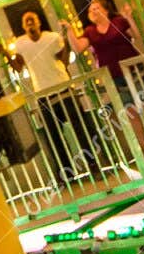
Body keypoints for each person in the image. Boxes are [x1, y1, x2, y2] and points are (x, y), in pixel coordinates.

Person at [10, 10, 97, 179]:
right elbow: (18, 67)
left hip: (63, 88)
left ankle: (92, 163)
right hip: (43, 95)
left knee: (81, 129)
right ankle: (65, 172)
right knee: (54, 138)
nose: (29, 22)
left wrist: (64, 43)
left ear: (38, 22)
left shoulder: (51, 38)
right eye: (26, 20)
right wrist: (6, 54)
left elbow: (63, 62)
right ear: (23, 26)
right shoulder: (21, 44)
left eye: (32, 19)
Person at [68, 0, 144, 156]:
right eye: (91, 10)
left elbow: (136, 35)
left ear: (105, 10)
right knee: (130, 111)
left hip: (133, 69)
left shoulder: (119, 22)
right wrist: (69, 31)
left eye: (96, 8)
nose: (93, 11)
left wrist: (129, 17)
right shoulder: (90, 31)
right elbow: (78, 48)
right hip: (114, 76)